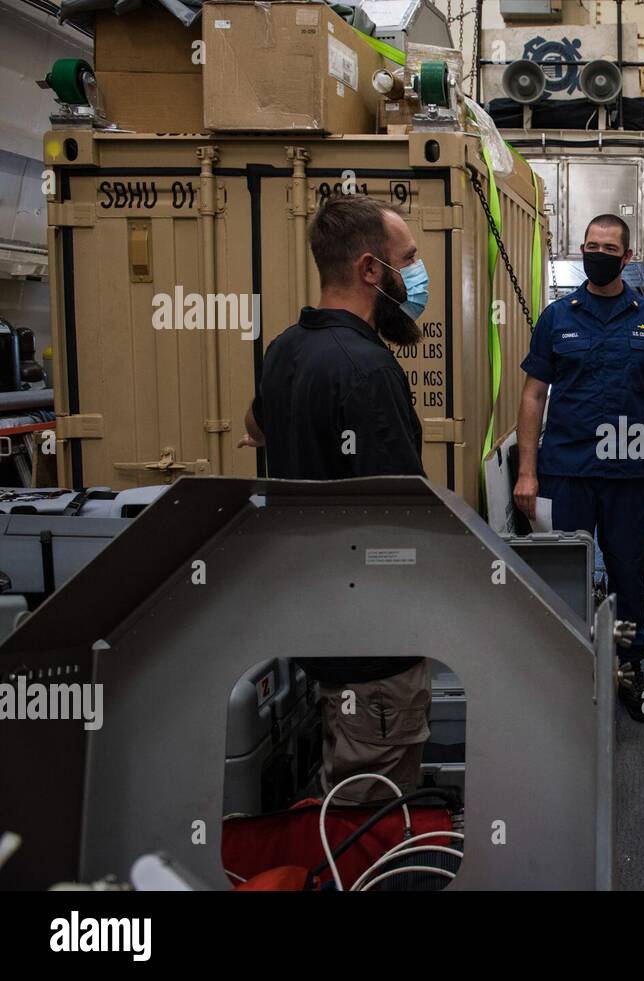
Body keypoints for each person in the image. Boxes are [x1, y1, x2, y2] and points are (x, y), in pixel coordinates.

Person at [242, 194, 432, 804]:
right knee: (365, 817)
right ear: (371, 270)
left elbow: (259, 427)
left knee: (336, 783)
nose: (416, 273)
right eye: (408, 259)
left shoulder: (284, 350)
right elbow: (399, 515)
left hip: (315, 623)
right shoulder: (367, 368)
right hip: (373, 648)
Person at [513, 214, 644, 723]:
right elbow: (533, 394)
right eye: (591, 245)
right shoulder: (557, 317)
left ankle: (629, 669)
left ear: (627, 257)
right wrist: (527, 471)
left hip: (630, 476)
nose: (599, 252)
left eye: (610, 247)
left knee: (629, 576)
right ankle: (565, 668)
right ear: (581, 250)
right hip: (567, 470)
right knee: (565, 574)